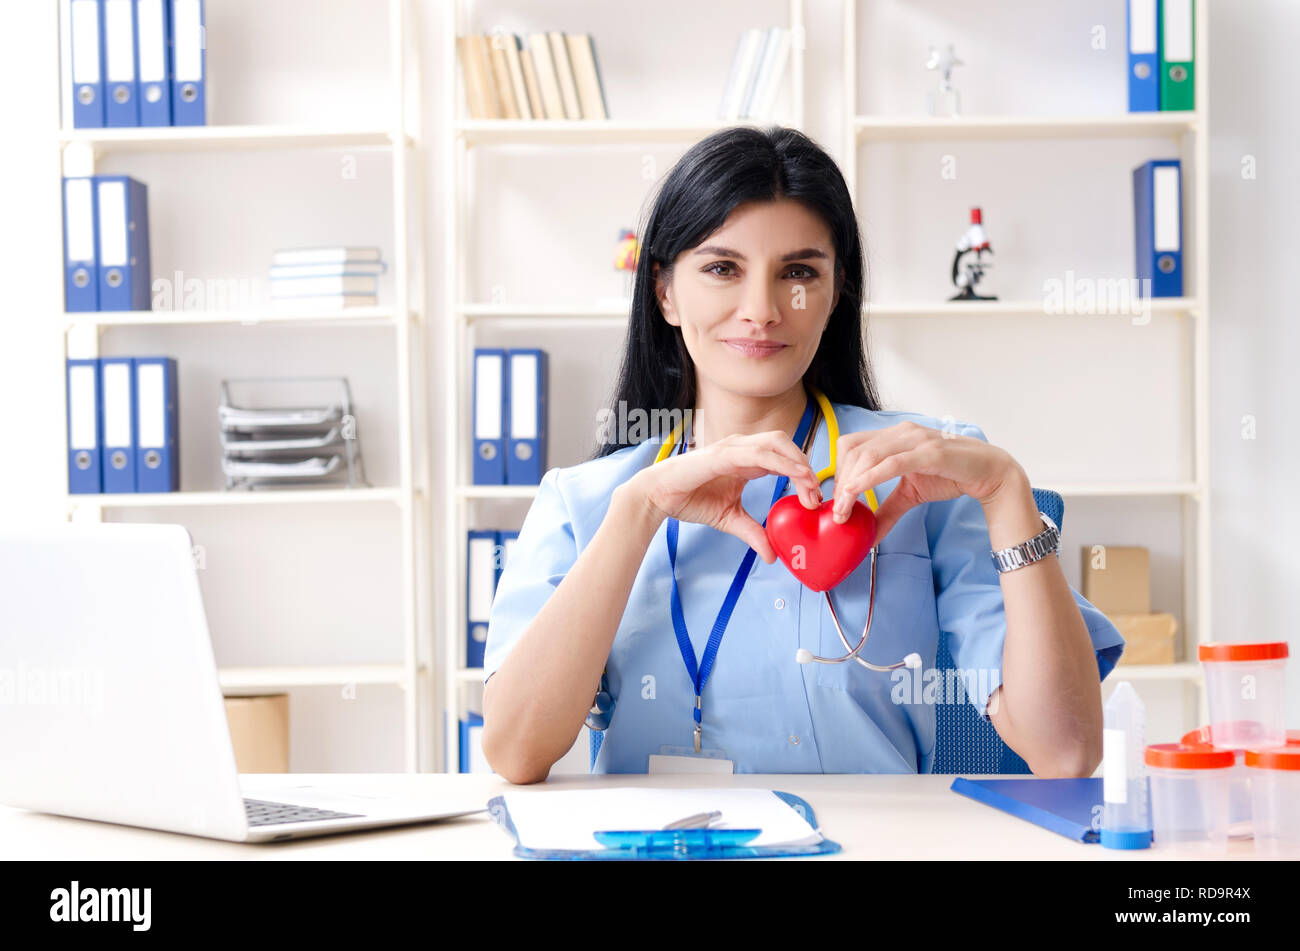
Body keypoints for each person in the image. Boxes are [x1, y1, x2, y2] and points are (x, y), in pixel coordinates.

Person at [480, 125, 1125, 784]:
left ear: (836, 290)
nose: (761, 310)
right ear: (665, 292)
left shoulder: (924, 473)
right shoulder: (588, 500)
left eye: (797, 272)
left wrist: (1007, 493)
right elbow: (514, 751)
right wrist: (639, 512)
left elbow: (1066, 751)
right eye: (722, 268)